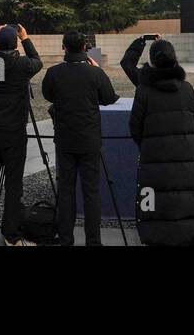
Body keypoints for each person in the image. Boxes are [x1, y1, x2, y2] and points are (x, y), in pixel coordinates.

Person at [123, 36, 194, 246]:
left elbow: (135, 127)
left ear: (152, 60)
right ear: (174, 59)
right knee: (192, 210)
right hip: (189, 160)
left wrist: (150, 146)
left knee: (156, 213)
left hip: (155, 161)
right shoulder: (186, 88)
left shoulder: (144, 89)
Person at [41, 30, 118, 246]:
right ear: (85, 48)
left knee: (65, 190)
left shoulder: (54, 72)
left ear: (64, 47)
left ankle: (66, 238)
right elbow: (109, 98)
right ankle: (93, 240)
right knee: (91, 192)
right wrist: (97, 71)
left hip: (65, 139)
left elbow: (48, 95)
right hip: (90, 139)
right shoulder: (95, 73)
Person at [0, 24, 43, 245]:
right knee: (14, 185)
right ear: (15, 43)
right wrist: (26, 38)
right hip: (14, 132)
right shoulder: (21, 64)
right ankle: (11, 234)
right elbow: (37, 61)